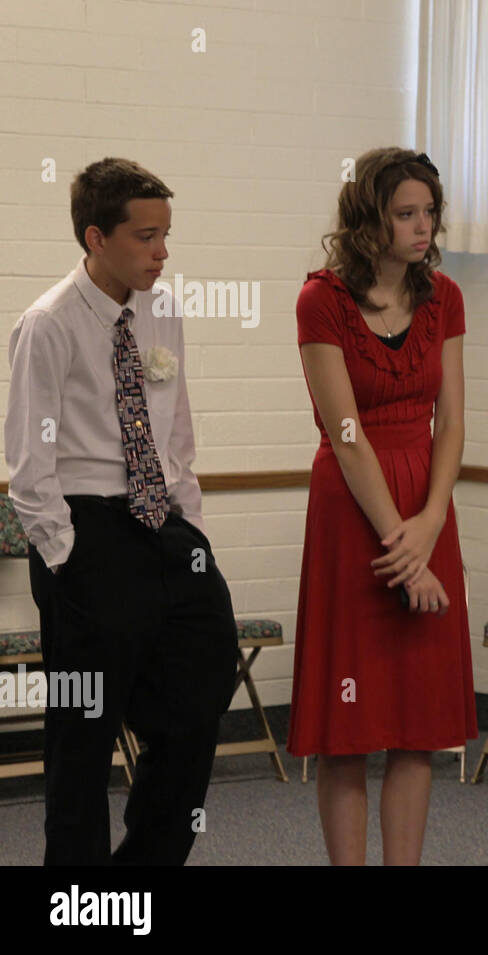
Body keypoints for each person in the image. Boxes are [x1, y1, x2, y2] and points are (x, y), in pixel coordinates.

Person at [5, 157, 239, 864]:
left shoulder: (163, 310)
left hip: (164, 527)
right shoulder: (47, 325)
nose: (162, 253)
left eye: (167, 235)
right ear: (95, 237)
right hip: (87, 534)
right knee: (82, 739)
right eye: (145, 237)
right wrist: (66, 559)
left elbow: (178, 433)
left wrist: (188, 526)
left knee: (198, 701)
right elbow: (27, 465)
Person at [288, 147, 477, 865]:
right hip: (353, 510)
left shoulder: (446, 297)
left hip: (427, 503)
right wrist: (401, 545)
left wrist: (428, 526)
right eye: (406, 213)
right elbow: (345, 434)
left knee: (417, 722)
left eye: (429, 211)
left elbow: (453, 422)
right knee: (348, 728)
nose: (423, 226)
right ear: (370, 219)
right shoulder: (321, 301)